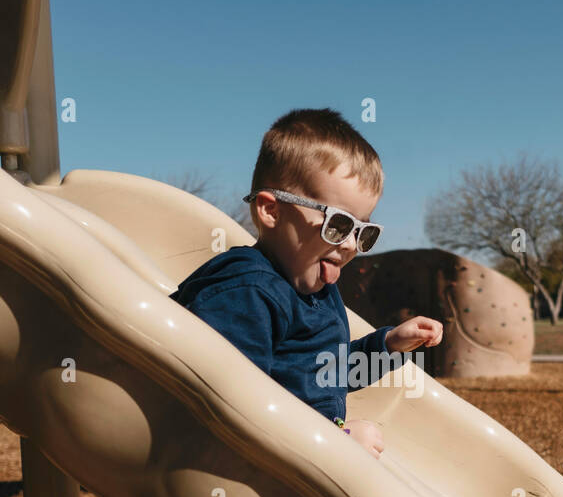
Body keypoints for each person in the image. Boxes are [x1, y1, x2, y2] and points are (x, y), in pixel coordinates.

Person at [170, 108, 442, 458]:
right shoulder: (246, 292)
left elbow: (328, 373)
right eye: (339, 225)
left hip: (299, 457)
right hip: (260, 470)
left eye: (364, 232)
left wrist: (388, 346)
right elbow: (233, 407)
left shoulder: (317, 291)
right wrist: (332, 441)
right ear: (272, 211)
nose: (349, 245)